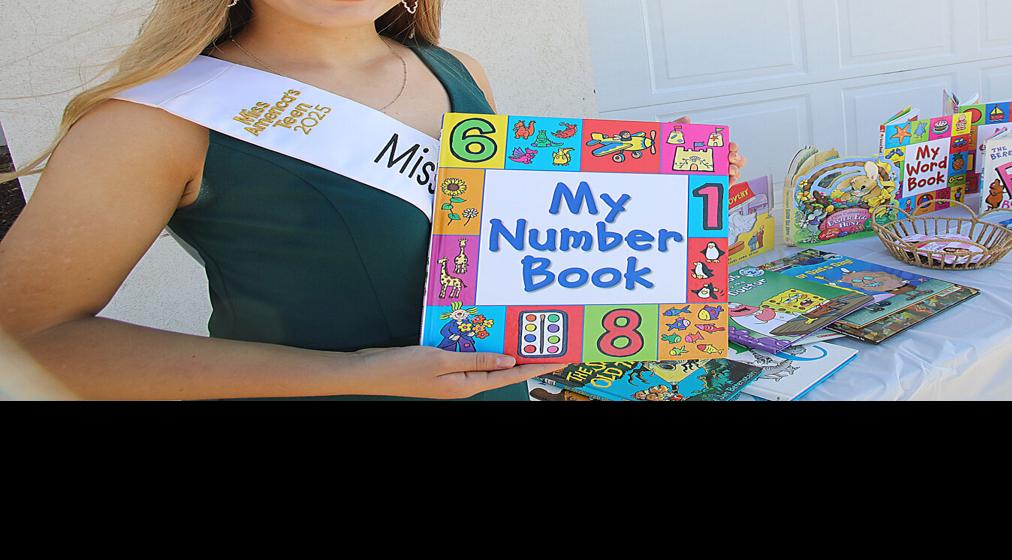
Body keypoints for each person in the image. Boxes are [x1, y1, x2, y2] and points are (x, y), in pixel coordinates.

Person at [0, 0, 745, 400]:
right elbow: (26, 342)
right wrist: (349, 376)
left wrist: (666, 207)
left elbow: (503, 257)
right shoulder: (155, 118)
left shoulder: (458, 72)